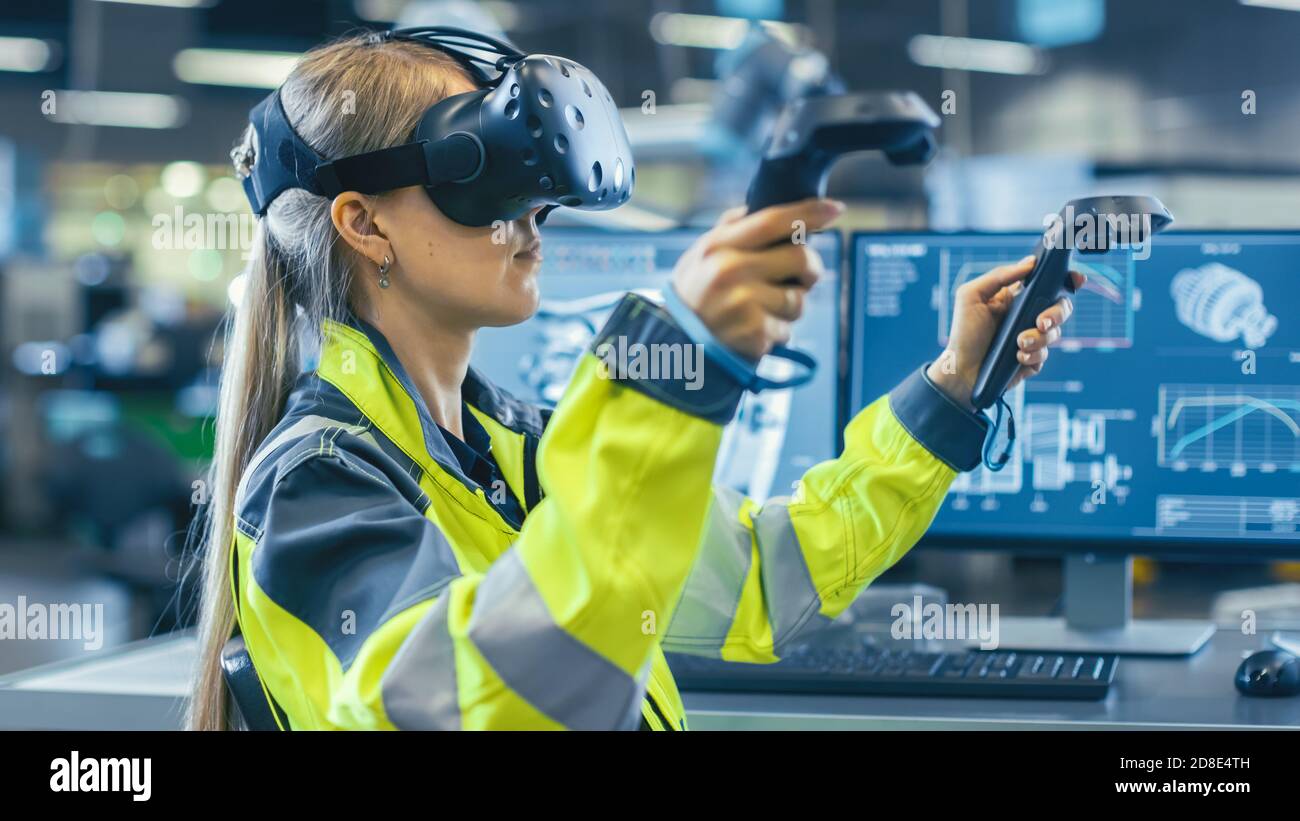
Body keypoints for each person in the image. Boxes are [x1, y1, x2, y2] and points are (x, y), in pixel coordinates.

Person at [188, 32, 1080, 730]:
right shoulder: (318, 485)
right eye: (486, 174)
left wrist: (954, 387)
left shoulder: (517, 453)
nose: (535, 216)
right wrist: (675, 365)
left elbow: (772, 577)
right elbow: (473, 707)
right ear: (363, 224)